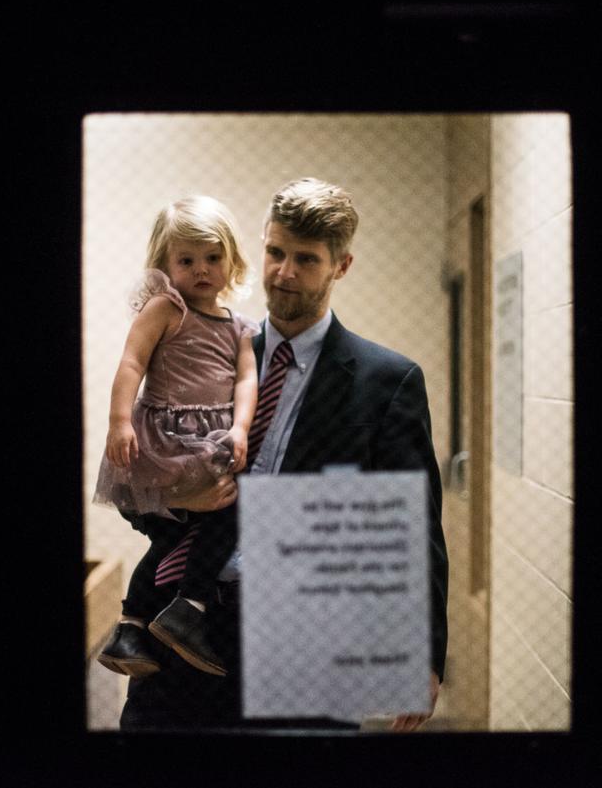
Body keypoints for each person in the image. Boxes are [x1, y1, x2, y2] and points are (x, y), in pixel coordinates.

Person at [118, 178, 448, 733]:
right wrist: (183, 497)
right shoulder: (199, 347)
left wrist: (424, 652)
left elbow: (416, 526)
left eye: (306, 259)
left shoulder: (386, 381)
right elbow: (134, 488)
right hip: (178, 624)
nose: (284, 273)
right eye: (275, 252)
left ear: (341, 266)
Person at [93, 196, 259, 679]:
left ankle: (132, 627)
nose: (201, 270)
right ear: (165, 264)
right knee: (212, 520)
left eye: (212, 258)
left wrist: (242, 427)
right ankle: (187, 608)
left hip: (209, 445)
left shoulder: (240, 328)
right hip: (164, 445)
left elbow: (246, 380)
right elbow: (131, 362)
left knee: (184, 535)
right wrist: (119, 421)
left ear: (232, 260)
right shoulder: (168, 308)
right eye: (186, 260)